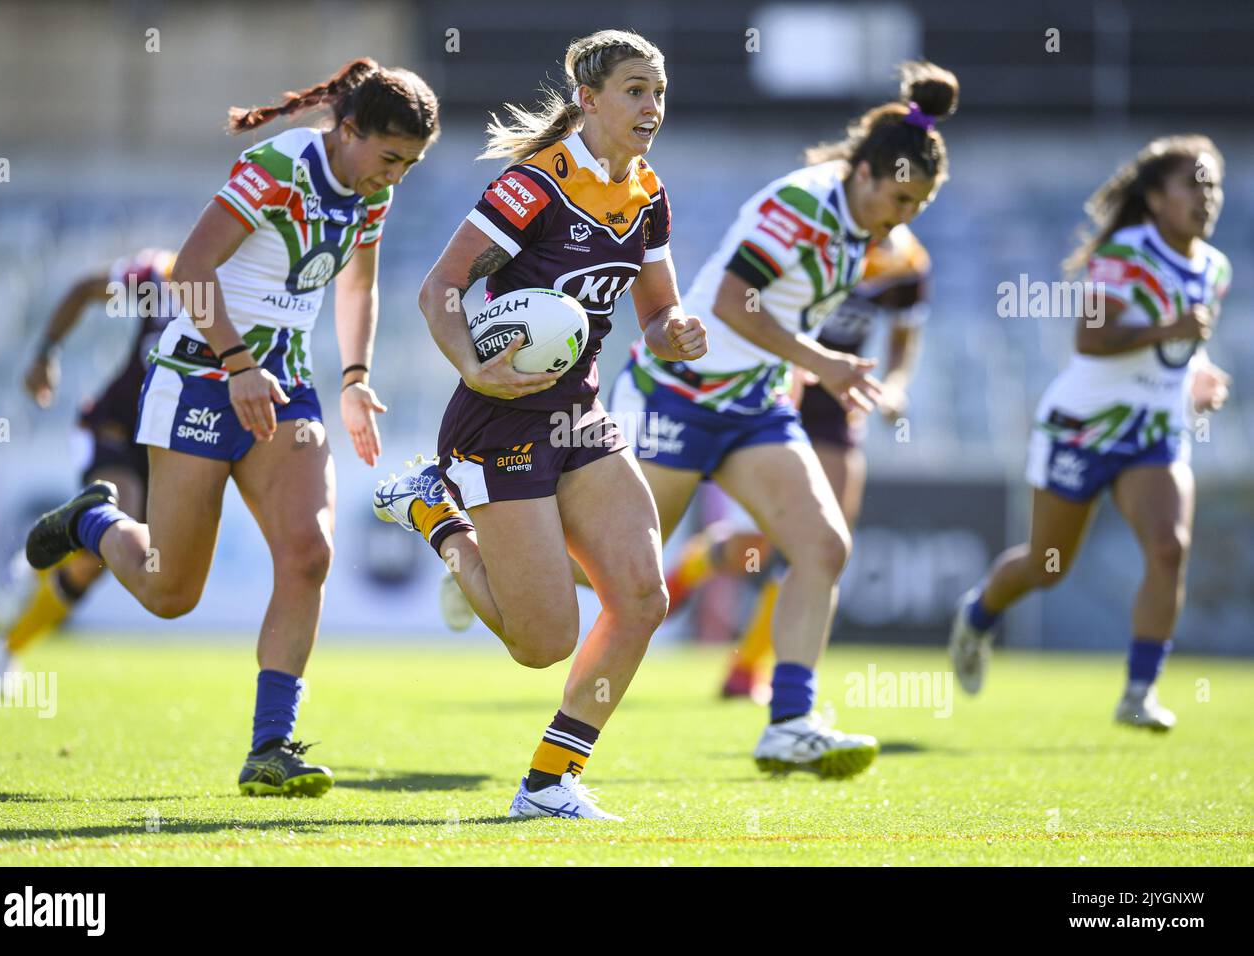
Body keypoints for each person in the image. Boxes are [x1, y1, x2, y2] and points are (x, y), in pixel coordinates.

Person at [23, 58, 439, 795]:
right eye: (389, 157)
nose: (396, 176)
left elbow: (360, 285)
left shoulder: (372, 190)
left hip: (284, 389)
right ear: (345, 132)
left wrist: (354, 378)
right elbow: (191, 269)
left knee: (309, 552)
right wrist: (239, 363)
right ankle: (94, 522)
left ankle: (270, 748)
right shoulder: (280, 165)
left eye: (410, 163)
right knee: (169, 593)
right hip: (200, 376)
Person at [374, 29, 706, 820]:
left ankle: (550, 783)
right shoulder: (537, 186)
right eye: (634, 91)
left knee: (642, 596)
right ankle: (434, 513)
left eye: (657, 92)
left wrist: (677, 334)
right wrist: (470, 365)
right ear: (588, 100)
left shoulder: (649, 193)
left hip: (580, 414)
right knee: (542, 642)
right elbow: (440, 288)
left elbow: (657, 314)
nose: (651, 107)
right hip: (498, 419)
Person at [609, 62, 959, 778]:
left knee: (823, 545)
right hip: (678, 391)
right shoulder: (804, 201)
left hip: (752, 404)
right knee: (614, 577)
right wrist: (822, 361)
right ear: (862, 173)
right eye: (899, 197)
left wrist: (799, 369)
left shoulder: (866, 228)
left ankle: (790, 723)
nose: (904, 216)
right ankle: (486, 553)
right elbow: (737, 302)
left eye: (918, 205)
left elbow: (786, 313)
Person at [949, 135, 1231, 731]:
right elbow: (1091, 338)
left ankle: (1139, 691)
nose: (1206, 197)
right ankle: (977, 615)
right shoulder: (1126, 253)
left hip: (1154, 432)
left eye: (1213, 184)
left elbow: (1181, 348)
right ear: (1155, 198)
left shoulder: (1215, 267)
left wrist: (1199, 376)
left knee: (1168, 547)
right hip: (1082, 429)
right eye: (1193, 183)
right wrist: (1168, 328)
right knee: (1048, 567)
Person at [698, 225, 933, 700]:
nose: (901, 211)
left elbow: (904, 336)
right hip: (784, 393)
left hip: (839, 403)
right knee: (758, 544)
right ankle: (691, 569)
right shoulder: (819, 236)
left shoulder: (907, 261)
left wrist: (896, 386)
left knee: (825, 542)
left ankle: (747, 670)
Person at [0, 249, 177, 679]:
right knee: (118, 509)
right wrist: (45, 352)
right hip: (113, 428)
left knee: (96, 562)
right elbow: (84, 290)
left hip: (165, 449)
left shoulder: (247, 299)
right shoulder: (161, 278)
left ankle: (8, 642)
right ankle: (37, 562)